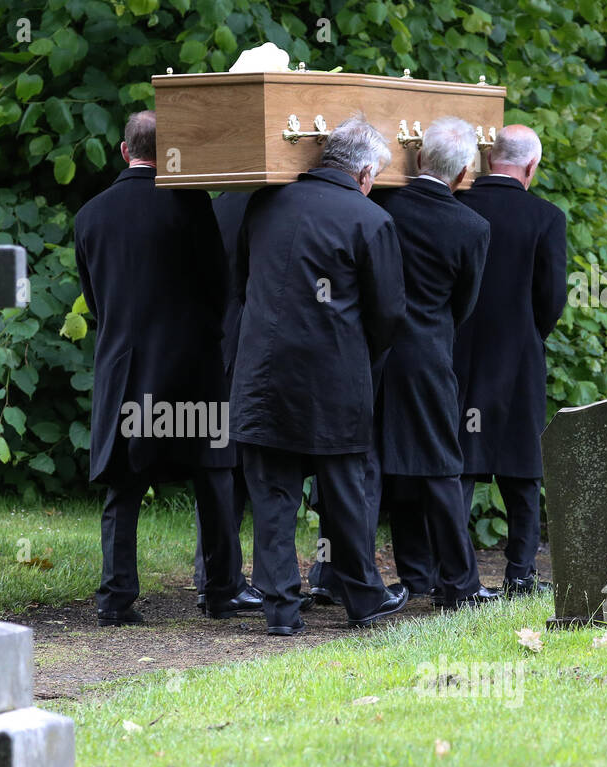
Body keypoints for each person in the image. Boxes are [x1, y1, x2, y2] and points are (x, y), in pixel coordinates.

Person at [74, 110, 255, 626]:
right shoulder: (192, 203)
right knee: (213, 475)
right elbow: (218, 285)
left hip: (126, 365)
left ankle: (115, 596)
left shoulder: (90, 214)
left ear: (125, 150)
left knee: (124, 485)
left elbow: (95, 300)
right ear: (172, 151)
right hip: (191, 363)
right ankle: (221, 590)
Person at [230, 117, 409, 636]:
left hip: (263, 376)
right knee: (347, 494)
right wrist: (358, 354)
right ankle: (362, 601)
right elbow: (389, 314)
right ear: (367, 171)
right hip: (334, 379)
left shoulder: (265, 204)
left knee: (273, 498)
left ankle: (281, 611)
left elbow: (243, 282)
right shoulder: (370, 220)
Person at [373, 116, 502, 609]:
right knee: (442, 467)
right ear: (465, 172)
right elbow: (464, 304)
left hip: (374, 352)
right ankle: (459, 583)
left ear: (419, 157)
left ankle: (405, 574)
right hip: (427, 352)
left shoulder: (385, 204)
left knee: (376, 465)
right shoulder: (472, 226)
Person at [455, 125, 567, 593]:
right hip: (518, 353)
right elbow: (552, 295)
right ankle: (520, 572)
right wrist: (528, 332)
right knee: (522, 464)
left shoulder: (457, 205)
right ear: (531, 167)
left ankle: (456, 575)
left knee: (459, 464)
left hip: (457, 353)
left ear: (488, 159)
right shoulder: (545, 216)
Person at [191, 190, 264, 615]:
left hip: (213, 344)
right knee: (260, 469)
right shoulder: (273, 203)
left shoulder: (210, 204)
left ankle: (213, 575)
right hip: (255, 346)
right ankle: (265, 581)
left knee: (221, 467)